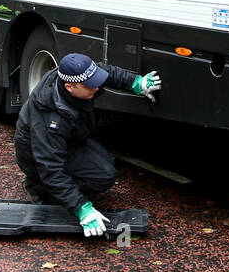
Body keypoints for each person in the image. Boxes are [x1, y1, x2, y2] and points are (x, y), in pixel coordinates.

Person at [15, 53, 162, 237]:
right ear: (70, 87)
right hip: (37, 158)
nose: (97, 86)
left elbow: (107, 72)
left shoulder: (76, 78)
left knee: (105, 165)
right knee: (102, 177)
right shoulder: (48, 119)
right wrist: (82, 208)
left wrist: (136, 83)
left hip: (69, 141)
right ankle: (38, 186)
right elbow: (50, 168)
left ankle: (61, 188)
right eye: (91, 85)